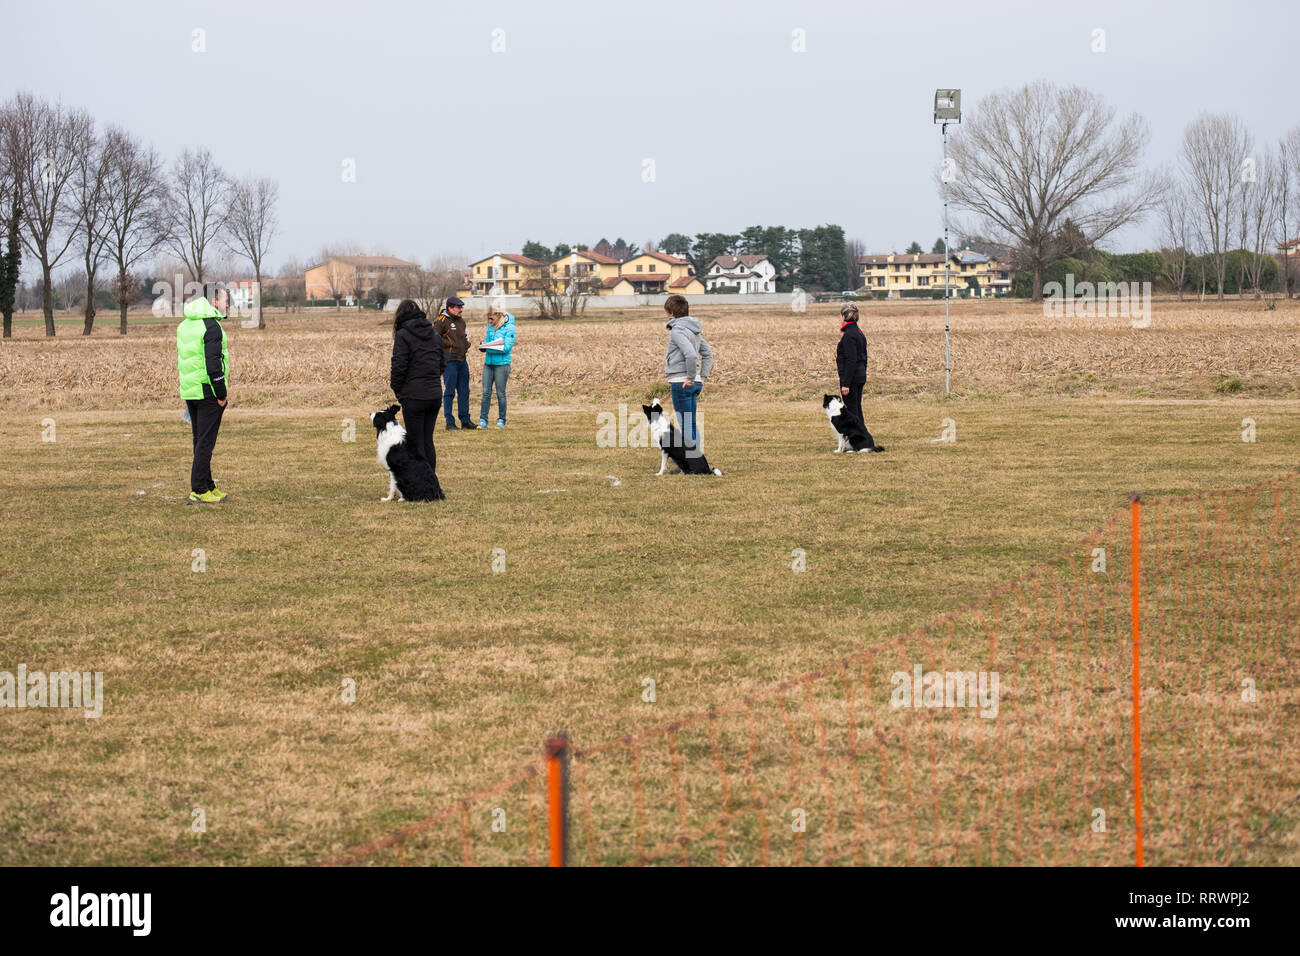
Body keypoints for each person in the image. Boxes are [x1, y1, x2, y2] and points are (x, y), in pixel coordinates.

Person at [177, 286, 230, 504]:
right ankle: (198, 489)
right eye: (226, 300)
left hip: (191, 390)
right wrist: (221, 394)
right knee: (205, 443)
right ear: (214, 301)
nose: (228, 304)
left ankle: (208, 485)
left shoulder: (186, 324)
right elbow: (213, 365)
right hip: (207, 391)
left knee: (200, 441)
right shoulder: (212, 327)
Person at [390, 299, 445, 468]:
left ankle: (421, 483)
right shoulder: (434, 334)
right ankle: (431, 482)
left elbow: (399, 366)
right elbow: (442, 363)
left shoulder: (402, 335)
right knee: (428, 439)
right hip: (434, 394)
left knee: (415, 442)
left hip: (413, 395)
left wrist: (398, 390)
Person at [663, 294, 713, 455]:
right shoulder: (694, 331)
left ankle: (690, 462)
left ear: (670, 313)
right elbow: (708, 354)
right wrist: (702, 377)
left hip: (681, 382)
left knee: (685, 424)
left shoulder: (677, 331)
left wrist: (691, 378)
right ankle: (696, 459)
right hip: (694, 382)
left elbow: (691, 355)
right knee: (690, 423)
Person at [835, 303, 879, 449]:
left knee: (852, 412)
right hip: (860, 376)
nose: (840, 319)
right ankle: (863, 439)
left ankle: (859, 442)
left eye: (841, 316)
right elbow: (864, 357)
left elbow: (851, 360)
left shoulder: (848, 336)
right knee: (857, 410)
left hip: (852, 378)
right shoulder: (859, 333)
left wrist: (845, 383)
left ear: (844, 317)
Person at [433, 295, 476, 430]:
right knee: (449, 392)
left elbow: (466, 336)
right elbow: (434, 339)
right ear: (450, 308)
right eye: (458, 307)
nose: (461, 309)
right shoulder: (441, 321)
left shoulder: (461, 321)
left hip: (462, 360)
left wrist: (466, 344)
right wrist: (447, 348)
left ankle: (465, 420)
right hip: (449, 361)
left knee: (464, 391)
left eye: (461, 307)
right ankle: (449, 422)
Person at [477, 308, 515, 430]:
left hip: (502, 365)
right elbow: (488, 342)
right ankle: (483, 420)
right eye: (488, 317)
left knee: (500, 393)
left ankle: (501, 420)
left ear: (498, 316)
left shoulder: (509, 328)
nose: (489, 319)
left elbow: (505, 347)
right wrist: (484, 345)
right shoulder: (490, 327)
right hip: (488, 364)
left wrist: (487, 347)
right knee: (486, 393)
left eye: (491, 316)